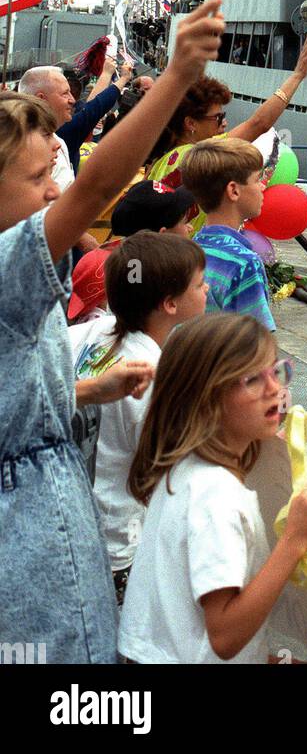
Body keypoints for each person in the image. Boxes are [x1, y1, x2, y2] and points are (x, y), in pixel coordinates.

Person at [0, 0, 224, 663]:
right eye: (39, 177)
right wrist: (179, 78)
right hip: (30, 545)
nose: (51, 192)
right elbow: (94, 191)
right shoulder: (8, 268)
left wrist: (88, 393)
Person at [118, 314, 307, 664]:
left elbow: (188, 626)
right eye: (252, 379)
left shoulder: (186, 465)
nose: (274, 389)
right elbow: (224, 636)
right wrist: (295, 539)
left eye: (276, 371)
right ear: (206, 399)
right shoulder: (216, 496)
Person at [70, 232, 208, 604]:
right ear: (169, 304)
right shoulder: (152, 376)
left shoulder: (91, 332)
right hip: (118, 538)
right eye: (199, 283)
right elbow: (166, 467)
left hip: (80, 514)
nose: (207, 288)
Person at [146, 32, 307, 187]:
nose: (224, 122)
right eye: (218, 117)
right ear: (190, 123)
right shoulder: (197, 157)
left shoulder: (158, 163)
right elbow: (258, 124)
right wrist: (297, 76)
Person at [68, 178, 197, 321]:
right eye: (184, 222)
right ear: (163, 235)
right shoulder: (141, 276)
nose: (190, 228)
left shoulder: (123, 260)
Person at [181, 139, 274, 332]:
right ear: (233, 190)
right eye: (257, 179)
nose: (263, 187)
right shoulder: (244, 263)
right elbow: (257, 343)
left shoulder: (190, 250)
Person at [18, 60, 135, 186]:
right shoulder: (18, 146)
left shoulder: (59, 139)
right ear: (41, 99)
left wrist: (108, 74)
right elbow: (94, 109)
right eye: (65, 93)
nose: (72, 100)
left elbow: (90, 108)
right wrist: (121, 78)